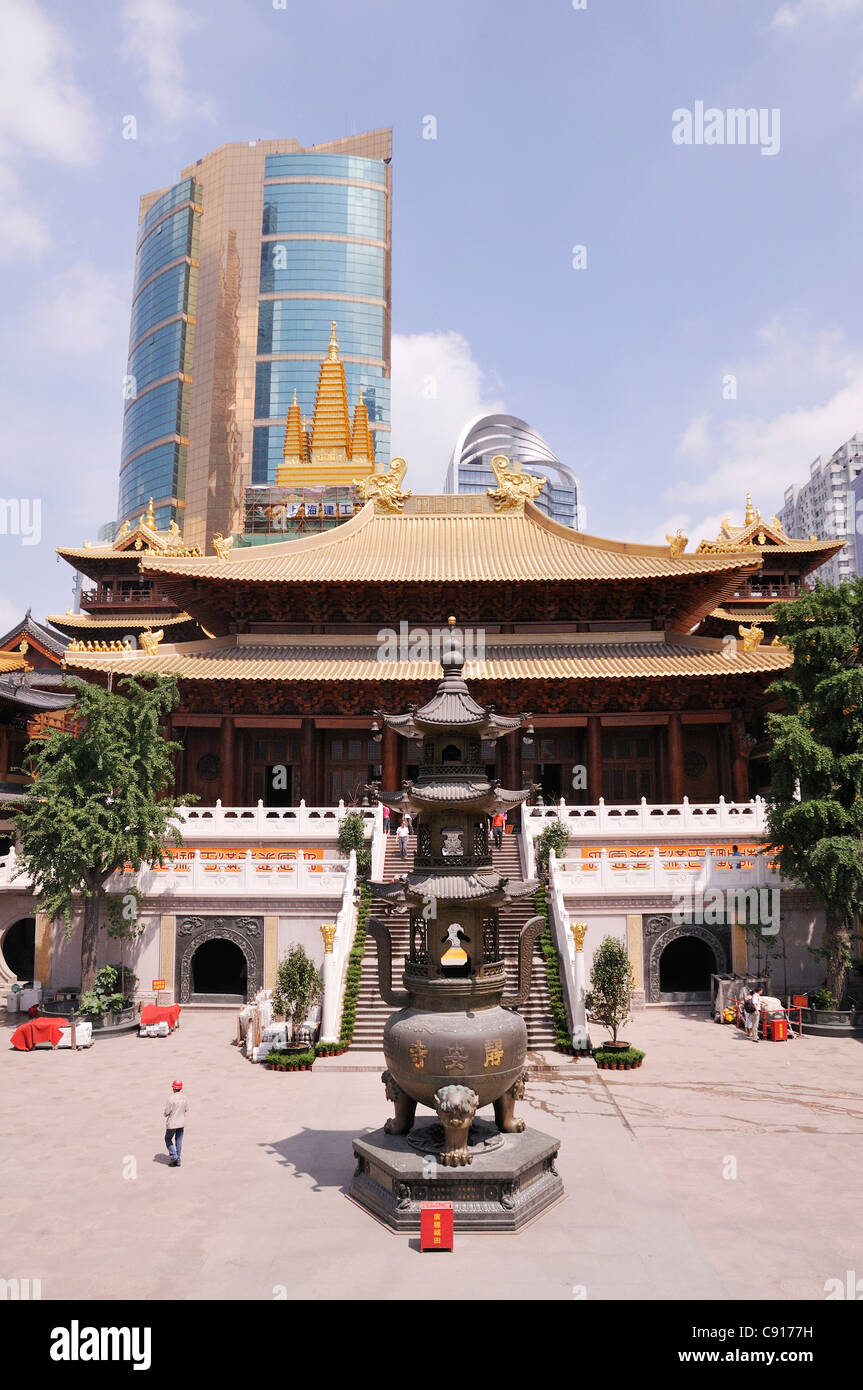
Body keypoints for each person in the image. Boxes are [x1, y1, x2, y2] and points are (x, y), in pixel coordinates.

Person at [164, 1079, 188, 1166]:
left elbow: (167, 1112)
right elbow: (186, 1109)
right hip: (181, 1123)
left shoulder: (171, 1098)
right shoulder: (184, 1098)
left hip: (172, 1123)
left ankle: (174, 1155)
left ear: (173, 1088)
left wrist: (165, 1114)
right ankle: (178, 1161)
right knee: (179, 1141)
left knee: (167, 1139)